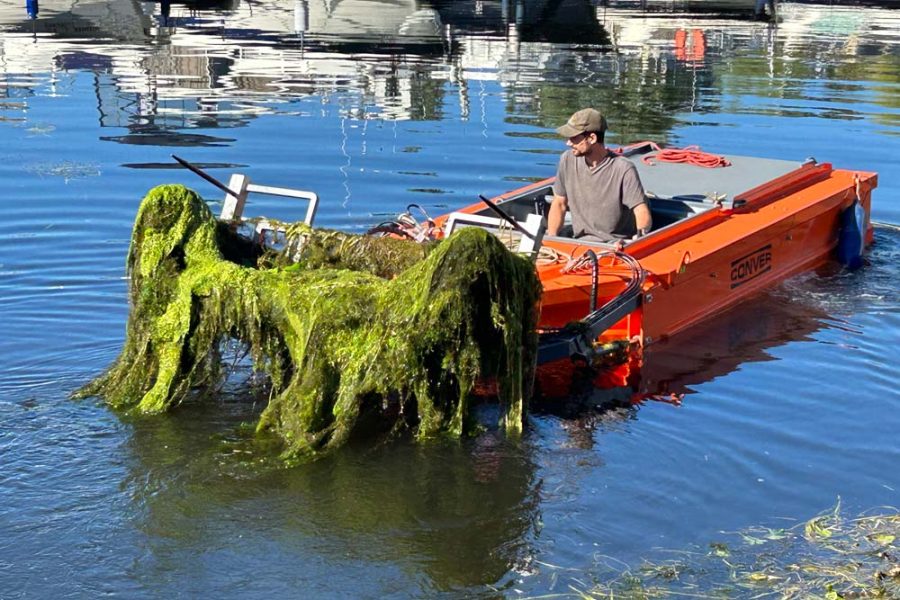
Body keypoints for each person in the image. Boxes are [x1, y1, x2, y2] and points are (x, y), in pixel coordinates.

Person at [547, 108, 652, 243]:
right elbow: (559, 203)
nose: (568, 143)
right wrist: (552, 239)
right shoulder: (567, 160)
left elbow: (641, 211)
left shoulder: (623, 168)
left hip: (614, 245)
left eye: (574, 138)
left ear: (592, 138)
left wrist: (638, 238)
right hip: (580, 242)